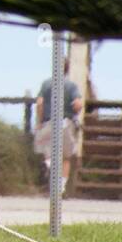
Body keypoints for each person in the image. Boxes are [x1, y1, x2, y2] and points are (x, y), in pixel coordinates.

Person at [33, 57, 83, 196]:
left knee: (48, 152)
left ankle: (49, 168)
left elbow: (40, 103)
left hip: (49, 121)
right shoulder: (71, 86)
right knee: (65, 157)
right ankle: (60, 188)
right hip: (66, 122)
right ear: (67, 69)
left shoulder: (46, 84)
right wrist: (75, 111)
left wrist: (39, 121)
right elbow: (78, 104)